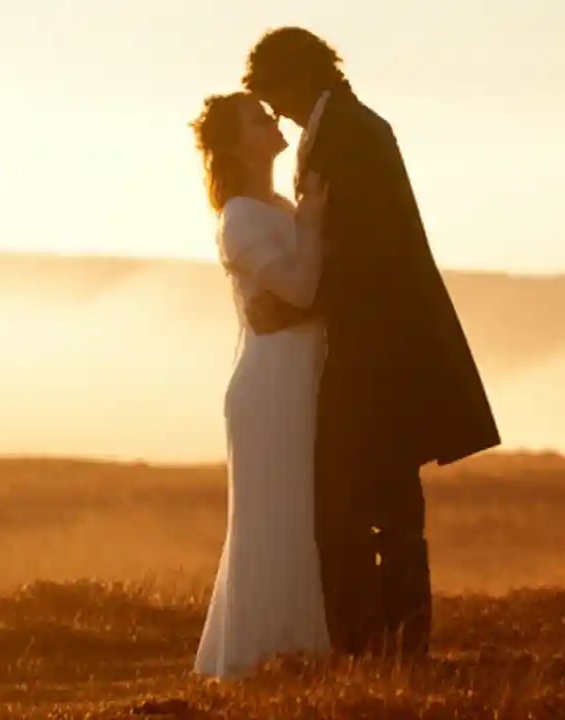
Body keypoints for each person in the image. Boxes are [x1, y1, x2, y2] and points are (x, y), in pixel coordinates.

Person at [240, 27, 501, 658]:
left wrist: (290, 301)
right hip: (377, 350)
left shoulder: (351, 134)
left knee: (349, 510)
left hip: (376, 356)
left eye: (275, 96)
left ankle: (372, 646)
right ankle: (395, 646)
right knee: (384, 504)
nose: (277, 113)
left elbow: (365, 254)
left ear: (299, 77)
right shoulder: (350, 127)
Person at [190, 91, 333, 679]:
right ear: (233, 144)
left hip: (297, 378)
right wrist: (314, 224)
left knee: (298, 518)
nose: (271, 121)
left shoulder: (275, 204)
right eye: (257, 118)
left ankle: (295, 656)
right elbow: (299, 290)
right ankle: (261, 661)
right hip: (272, 387)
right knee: (276, 521)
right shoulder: (244, 216)